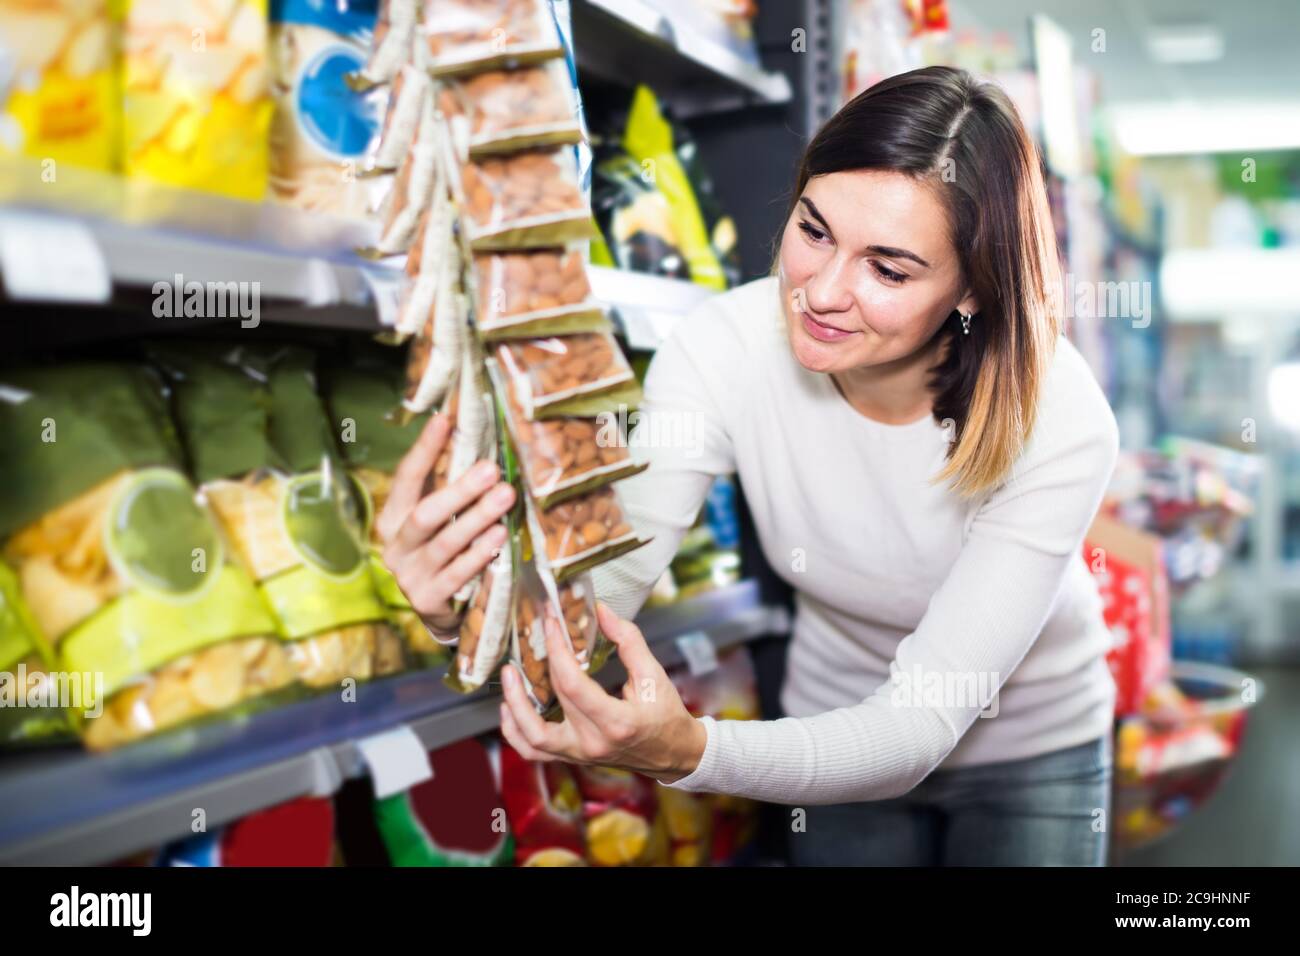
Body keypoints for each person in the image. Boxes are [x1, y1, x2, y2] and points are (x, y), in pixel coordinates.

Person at [378, 66, 1120, 866]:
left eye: (888, 269)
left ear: (972, 288)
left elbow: (916, 727)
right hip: (829, 723)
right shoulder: (724, 347)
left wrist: (694, 753)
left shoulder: (1059, 417)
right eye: (815, 230)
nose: (822, 291)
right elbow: (604, 591)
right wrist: (464, 609)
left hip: (1036, 745)